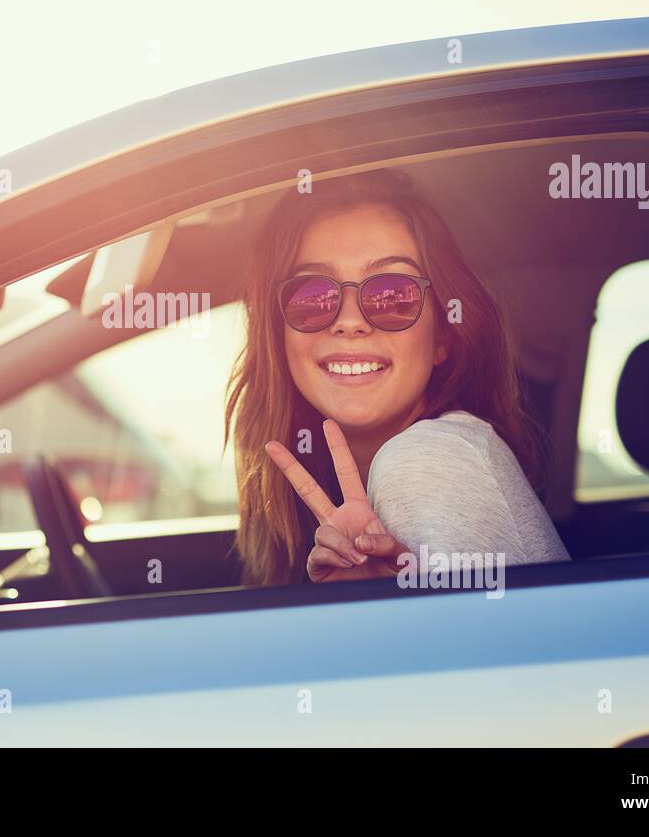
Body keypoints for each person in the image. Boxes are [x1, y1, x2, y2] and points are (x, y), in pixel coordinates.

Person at [225, 171, 569, 586]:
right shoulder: (317, 497)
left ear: (443, 335)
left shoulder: (427, 461)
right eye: (313, 295)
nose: (349, 322)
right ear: (278, 336)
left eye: (393, 293)